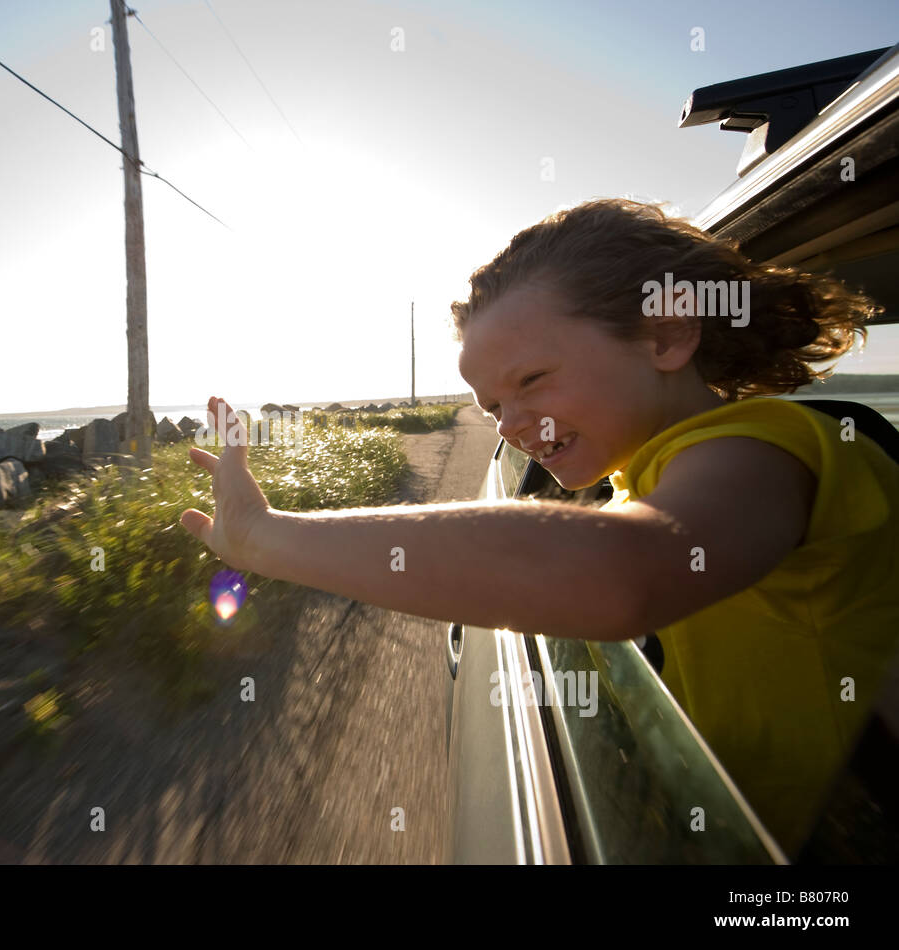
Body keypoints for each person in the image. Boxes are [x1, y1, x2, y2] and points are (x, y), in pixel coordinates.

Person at [178, 198, 899, 857]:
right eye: (491, 406)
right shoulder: (636, 476)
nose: (511, 425)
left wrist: (267, 538)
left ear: (668, 333)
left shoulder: (768, 450)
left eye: (530, 382)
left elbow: (620, 574)